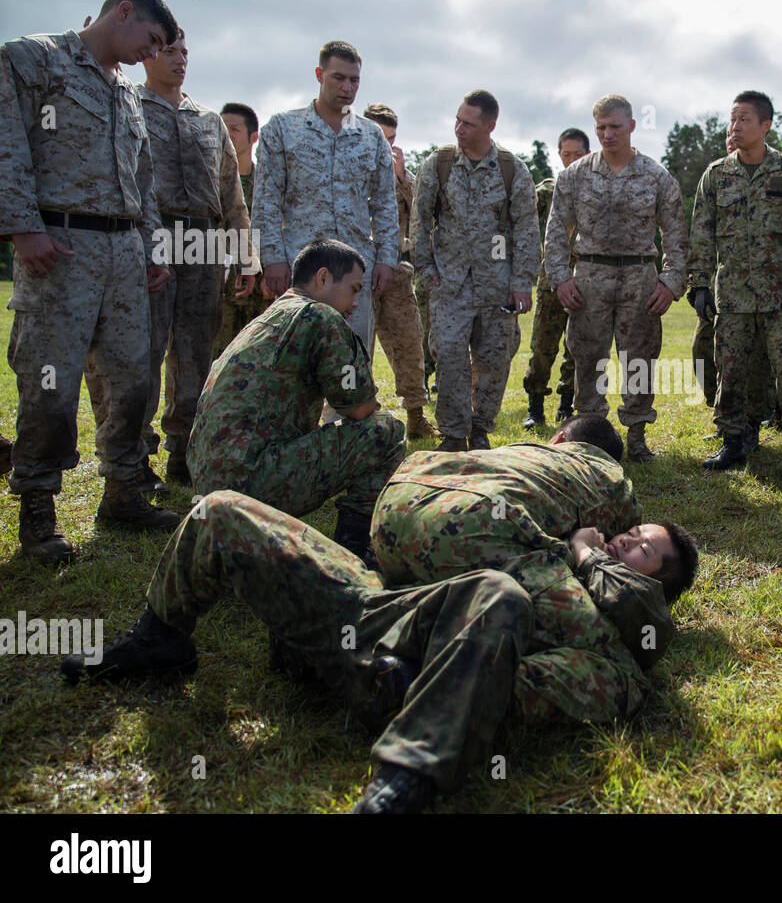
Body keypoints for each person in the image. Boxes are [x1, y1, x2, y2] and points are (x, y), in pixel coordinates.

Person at [60, 472, 699, 815]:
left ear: (658, 592)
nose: (626, 541)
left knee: (497, 596)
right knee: (220, 508)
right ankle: (160, 637)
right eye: (633, 532)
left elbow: (540, 685)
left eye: (647, 551)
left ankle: (405, 778)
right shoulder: (541, 543)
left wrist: (588, 559)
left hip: (396, 677)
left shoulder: (615, 652)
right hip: (371, 610)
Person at [1, 0, 182, 562]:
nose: (151, 53)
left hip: (124, 252)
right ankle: (37, 508)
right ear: (123, 12)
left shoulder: (126, 94)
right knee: (49, 382)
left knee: (133, 379)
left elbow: (143, 177)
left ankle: (123, 490)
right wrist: (23, 226)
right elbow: (6, 143)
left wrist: (153, 248)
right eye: (151, 40)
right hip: (60, 247)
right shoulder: (35, 58)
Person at [90, 29, 252, 492]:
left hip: (203, 244)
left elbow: (231, 192)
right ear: (147, 56)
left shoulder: (208, 119)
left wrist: (243, 255)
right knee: (143, 352)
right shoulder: (127, 104)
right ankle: (135, 458)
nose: (179, 60)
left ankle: (185, 451)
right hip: (151, 238)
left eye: (185, 51)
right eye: (168, 51)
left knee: (196, 353)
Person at [186, 239, 406, 558]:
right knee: (385, 431)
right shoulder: (321, 317)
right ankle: (354, 548)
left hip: (210, 490)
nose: (356, 302)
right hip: (248, 484)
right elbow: (360, 409)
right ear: (322, 278)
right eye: (354, 289)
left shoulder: (273, 314)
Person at [544, 94, 689, 462]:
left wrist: (671, 282)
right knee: (588, 360)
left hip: (640, 278)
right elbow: (557, 230)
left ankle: (637, 437)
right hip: (589, 277)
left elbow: (675, 234)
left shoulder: (656, 176)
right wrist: (560, 278)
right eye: (601, 128)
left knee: (638, 361)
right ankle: (588, 439)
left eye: (615, 127)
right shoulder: (575, 176)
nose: (608, 135)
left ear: (632, 127)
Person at [689, 91, 782, 478]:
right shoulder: (716, 174)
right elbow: (701, 231)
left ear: (765, 126)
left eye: (744, 119)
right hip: (734, 296)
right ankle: (734, 440)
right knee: (732, 371)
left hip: (781, 295)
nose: (736, 127)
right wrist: (699, 283)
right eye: (733, 119)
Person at [371, 413, 641, 588]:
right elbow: (628, 531)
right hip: (458, 536)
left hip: (392, 507)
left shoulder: (519, 451)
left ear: (558, 439)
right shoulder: (610, 478)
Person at [251, 40, 399, 357]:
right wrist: (272, 258)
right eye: (338, 77)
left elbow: (385, 205)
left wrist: (387, 259)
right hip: (299, 270)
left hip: (354, 274)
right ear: (319, 74)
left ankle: (346, 410)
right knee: (296, 363)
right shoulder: (282, 129)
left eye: (354, 80)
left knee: (351, 361)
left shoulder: (372, 136)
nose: (347, 87)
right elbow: (265, 201)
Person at [411, 90, 540, 452]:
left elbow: (527, 229)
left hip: (497, 286)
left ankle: (480, 427)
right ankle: (453, 433)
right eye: (457, 120)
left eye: (468, 123)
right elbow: (420, 222)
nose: (459, 128)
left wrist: (522, 283)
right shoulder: (438, 164)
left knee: (494, 359)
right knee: (449, 355)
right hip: (449, 284)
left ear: (490, 125)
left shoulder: (512, 169)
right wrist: (426, 270)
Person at [363, 103, 436, 440]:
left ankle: (417, 416)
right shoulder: (347, 166)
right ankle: (355, 418)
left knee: (409, 345)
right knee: (353, 350)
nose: (386, 145)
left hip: (394, 270)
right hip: (354, 273)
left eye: (391, 138)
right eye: (380, 137)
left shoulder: (400, 173)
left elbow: (423, 212)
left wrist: (402, 175)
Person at [522, 128, 589, 429]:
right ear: (559, 154)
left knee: (577, 347)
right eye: (567, 154)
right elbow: (519, 214)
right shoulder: (549, 190)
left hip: (586, 277)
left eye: (578, 154)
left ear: (589, 154)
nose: (572, 159)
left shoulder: (598, 188)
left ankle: (567, 406)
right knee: (542, 346)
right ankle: (534, 407)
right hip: (551, 277)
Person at [213, 102, 268, 356]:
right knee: (216, 359)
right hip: (221, 290)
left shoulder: (268, 185)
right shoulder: (209, 183)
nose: (226, 134)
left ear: (253, 137)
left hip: (262, 291)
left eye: (234, 129)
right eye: (222, 127)